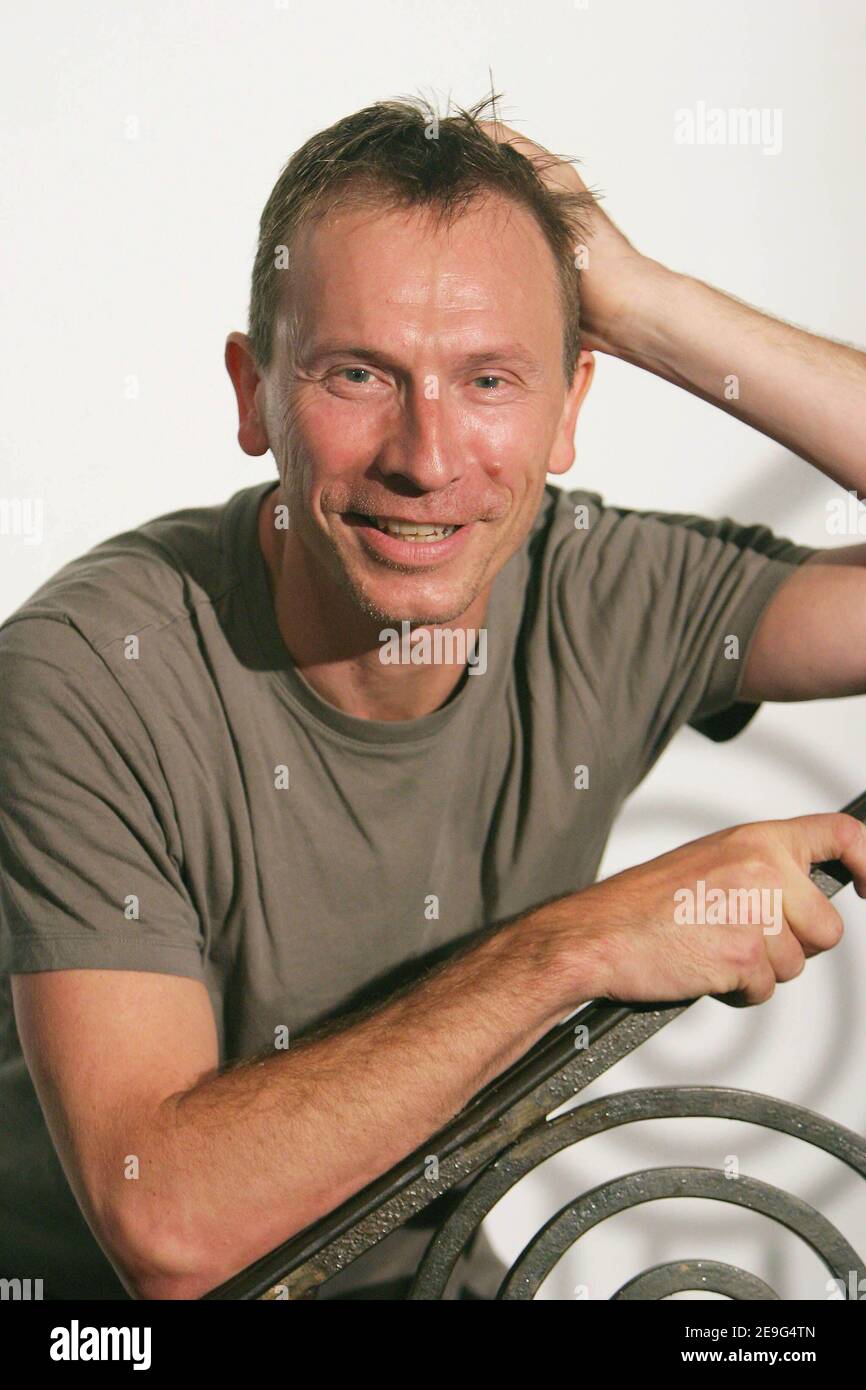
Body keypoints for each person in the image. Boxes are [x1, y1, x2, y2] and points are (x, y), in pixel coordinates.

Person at [2, 94, 865, 1302]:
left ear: (571, 407)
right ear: (252, 396)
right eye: (358, 373)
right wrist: (581, 946)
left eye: (490, 380)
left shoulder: (593, 589)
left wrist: (647, 302)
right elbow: (169, 1226)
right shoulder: (89, 667)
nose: (426, 455)